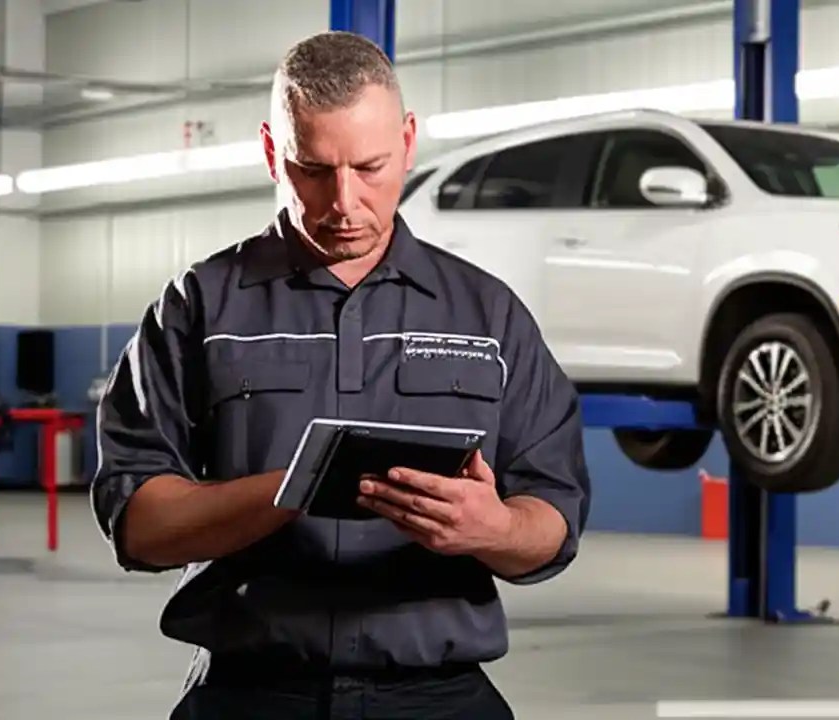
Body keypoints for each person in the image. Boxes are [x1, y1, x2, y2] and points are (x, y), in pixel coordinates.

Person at [89, 30, 591, 720]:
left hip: (439, 698)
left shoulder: (489, 314)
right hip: (250, 697)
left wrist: (493, 527)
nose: (344, 201)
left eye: (371, 166)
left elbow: (554, 520)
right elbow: (139, 524)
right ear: (272, 152)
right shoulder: (198, 307)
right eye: (313, 170)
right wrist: (299, 488)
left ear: (409, 143)